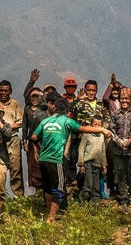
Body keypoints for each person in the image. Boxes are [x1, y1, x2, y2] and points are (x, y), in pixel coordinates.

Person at [31, 94, 113, 222]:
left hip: (43, 159)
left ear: (55, 108)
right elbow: (83, 128)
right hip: (56, 159)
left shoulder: (45, 121)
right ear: (66, 110)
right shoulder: (66, 121)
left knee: (47, 187)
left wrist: (41, 148)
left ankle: (49, 214)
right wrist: (102, 130)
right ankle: (51, 219)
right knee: (58, 188)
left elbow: (34, 137)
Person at [0, 80, 25, 196]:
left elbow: (20, 122)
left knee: (15, 168)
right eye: (1, 90)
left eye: (6, 90)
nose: (3, 93)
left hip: (13, 139)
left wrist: (7, 127)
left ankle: (18, 197)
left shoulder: (15, 104)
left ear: (10, 91)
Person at [107, 86, 131, 205]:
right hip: (117, 150)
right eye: (122, 98)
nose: (124, 101)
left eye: (126, 98)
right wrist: (119, 141)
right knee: (120, 174)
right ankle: (123, 199)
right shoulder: (115, 114)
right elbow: (111, 130)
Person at [77, 116, 107, 201]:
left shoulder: (101, 136)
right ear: (91, 125)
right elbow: (81, 149)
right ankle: (82, 203)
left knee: (96, 186)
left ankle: (94, 204)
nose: (97, 127)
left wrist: (104, 164)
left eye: (99, 125)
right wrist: (81, 164)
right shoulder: (86, 135)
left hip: (97, 163)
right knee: (88, 184)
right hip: (88, 163)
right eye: (95, 124)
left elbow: (103, 150)